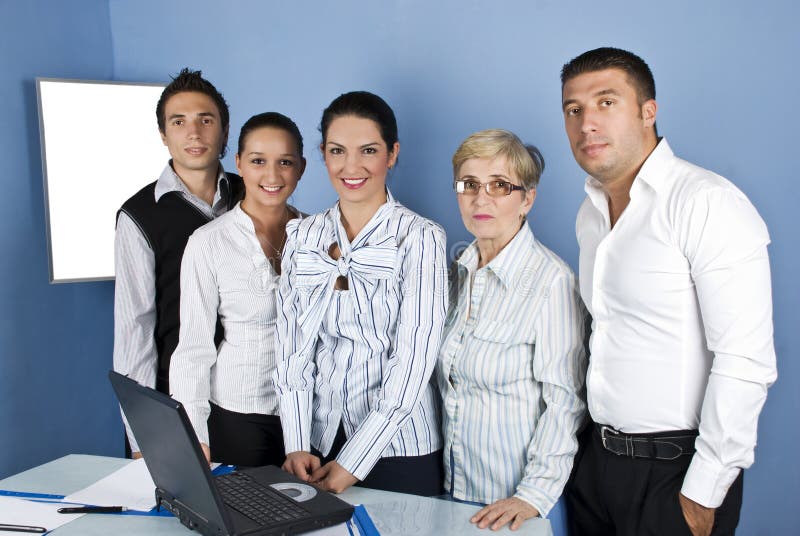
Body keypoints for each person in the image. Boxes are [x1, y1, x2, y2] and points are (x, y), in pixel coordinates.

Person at [560, 47, 776, 536]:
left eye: (606, 102)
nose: (587, 123)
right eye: (574, 109)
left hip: (676, 474)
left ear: (648, 111)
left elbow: (746, 359)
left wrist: (703, 493)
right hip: (597, 466)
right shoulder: (589, 216)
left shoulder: (706, 203)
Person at [275, 91, 447, 496]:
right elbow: (291, 349)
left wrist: (353, 462)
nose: (351, 167)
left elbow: (414, 362)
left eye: (368, 150)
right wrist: (297, 441)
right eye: (337, 151)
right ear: (323, 154)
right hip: (318, 444)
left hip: (399, 446)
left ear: (392, 153)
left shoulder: (420, 237)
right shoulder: (302, 235)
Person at [437, 129, 587, 531]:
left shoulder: (551, 281)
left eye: (500, 186)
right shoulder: (456, 275)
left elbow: (565, 401)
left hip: (514, 506)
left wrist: (532, 495)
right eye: (469, 184)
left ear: (527, 199)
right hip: (451, 492)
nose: (481, 198)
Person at [113, 68, 243, 458]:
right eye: (179, 121)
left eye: (206, 120)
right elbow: (135, 329)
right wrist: (143, 436)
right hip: (177, 405)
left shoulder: (254, 194)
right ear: (163, 135)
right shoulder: (138, 216)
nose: (194, 133)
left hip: (249, 402)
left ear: (224, 131)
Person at [169, 112, 306, 467]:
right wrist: (194, 435)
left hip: (310, 417)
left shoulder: (320, 236)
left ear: (301, 168)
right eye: (259, 161)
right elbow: (193, 350)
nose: (272, 175)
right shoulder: (209, 242)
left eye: (285, 162)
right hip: (239, 415)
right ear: (240, 164)